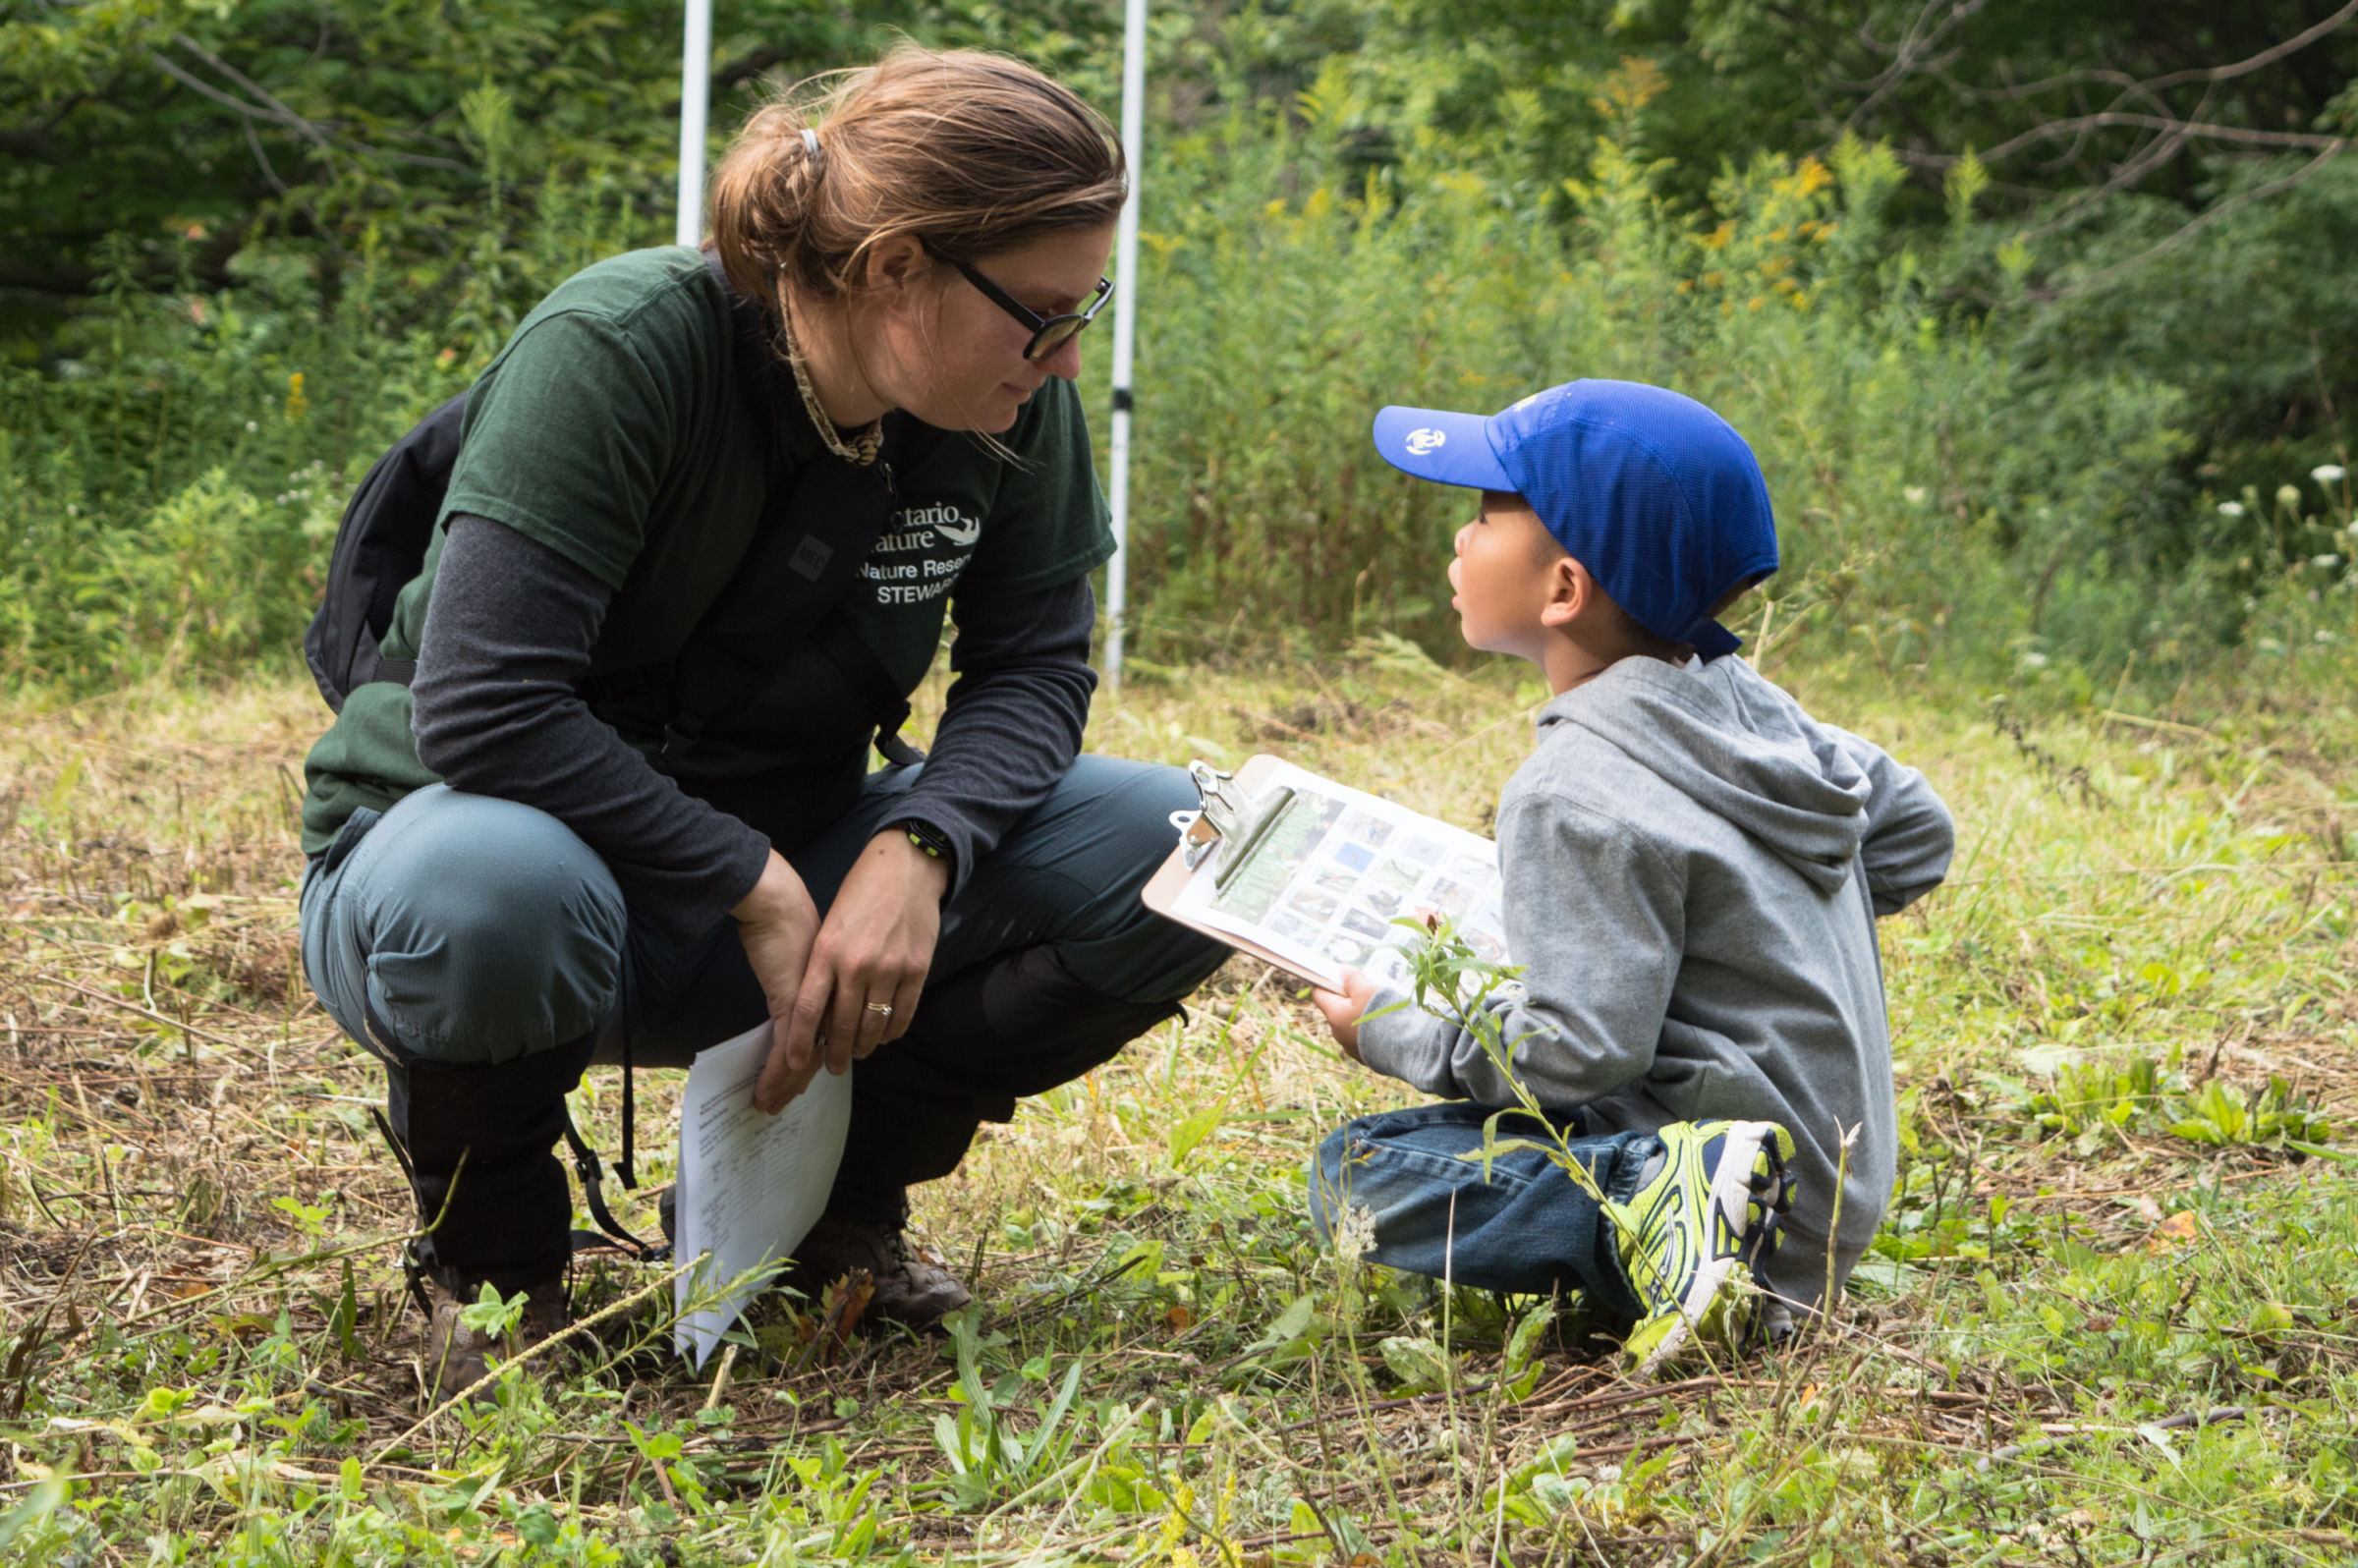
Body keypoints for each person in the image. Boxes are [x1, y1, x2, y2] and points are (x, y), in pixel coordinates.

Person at [296, 46, 1229, 1394]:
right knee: (493, 883)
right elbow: (486, 705)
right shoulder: (625, 346)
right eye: (1040, 314)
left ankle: (826, 1218)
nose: (1069, 355)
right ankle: (491, 1276)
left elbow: (1035, 667)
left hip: (786, 890)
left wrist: (924, 846)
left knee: (1185, 846)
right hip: (474, 889)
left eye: (1085, 308)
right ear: (896, 267)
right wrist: (747, 878)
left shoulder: (1005, 400)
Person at [1307, 379, 1954, 1358]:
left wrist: (1398, 1030)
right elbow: (1917, 834)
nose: (1461, 540)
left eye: (1485, 516)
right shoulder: (1750, 708)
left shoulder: (1569, 789)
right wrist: (1765, 925)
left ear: (1564, 591)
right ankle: (1696, 1198)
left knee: (1358, 1166)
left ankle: (1668, 1219)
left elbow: (1573, 1056)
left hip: (1758, 1218)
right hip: (1834, 1186)